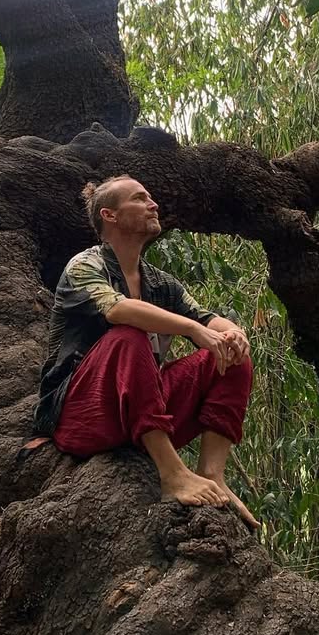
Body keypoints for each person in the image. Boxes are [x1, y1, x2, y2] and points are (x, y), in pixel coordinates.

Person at [35, 175, 257, 528]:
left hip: (138, 415)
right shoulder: (85, 266)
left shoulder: (159, 282)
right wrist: (192, 330)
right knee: (129, 335)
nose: (153, 205)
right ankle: (172, 474)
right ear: (109, 215)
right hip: (81, 415)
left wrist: (234, 333)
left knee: (233, 357)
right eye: (140, 199)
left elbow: (206, 317)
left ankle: (212, 474)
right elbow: (116, 309)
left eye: (150, 198)